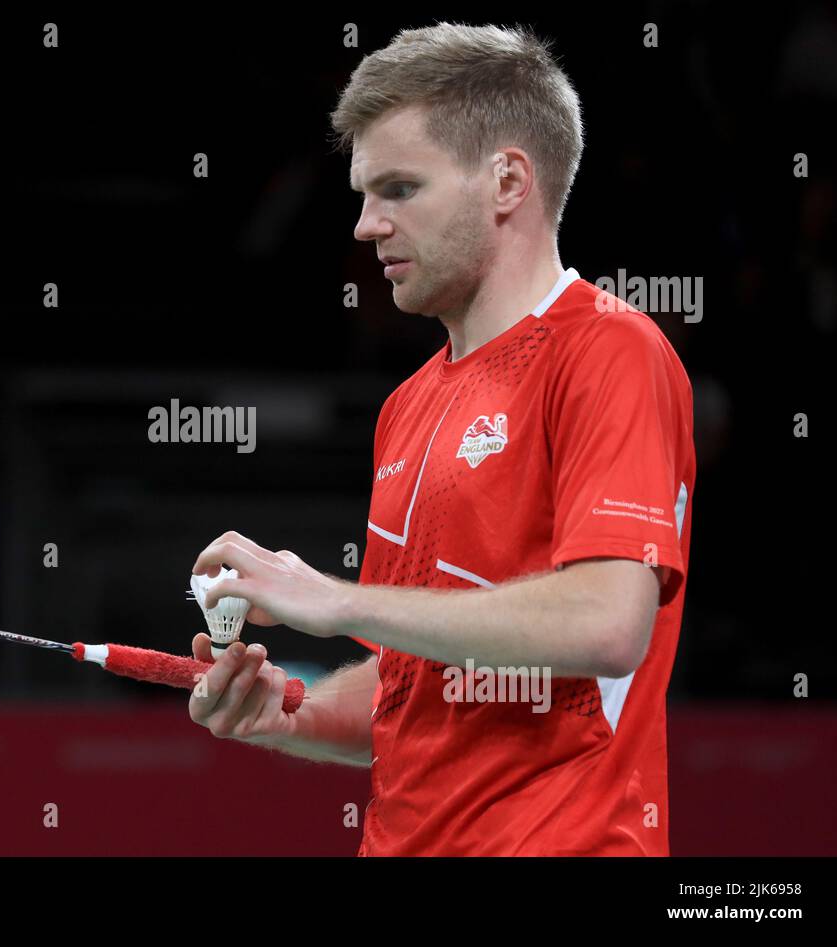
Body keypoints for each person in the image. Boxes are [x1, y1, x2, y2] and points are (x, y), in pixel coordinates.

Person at [188, 22, 695, 856]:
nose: (365, 225)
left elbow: (610, 621)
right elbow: (413, 683)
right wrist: (288, 712)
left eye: (399, 189)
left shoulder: (610, 351)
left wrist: (338, 598)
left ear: (506, 181)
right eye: (363, 193)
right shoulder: (410, 404)